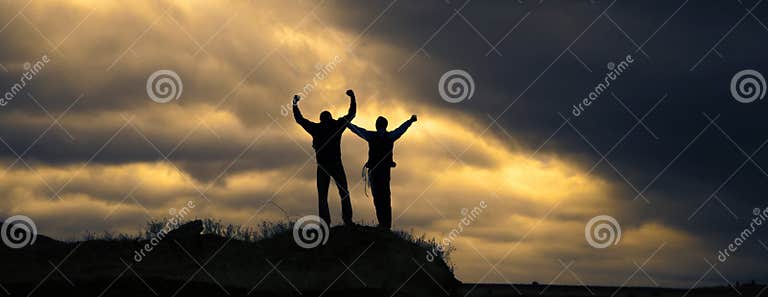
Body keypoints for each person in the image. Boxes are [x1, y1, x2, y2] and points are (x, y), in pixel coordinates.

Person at [292, 90, 357, 226]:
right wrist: (352, 97)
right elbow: (352, 114)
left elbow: (300, 119)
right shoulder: (336, 126)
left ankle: (325, 223)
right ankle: (348, 220)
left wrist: (294, 104)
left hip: (323, 166)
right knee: (343, 192)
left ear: (321, 119)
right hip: (335, 164)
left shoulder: (317, 128)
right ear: (330, 118)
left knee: (323, 196)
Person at [348, 115, 417, 229]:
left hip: (374, 171)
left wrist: (347, 124)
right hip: (384, 172)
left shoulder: (371, 136)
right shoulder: (390, 136)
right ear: (386, 125)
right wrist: (410, 121)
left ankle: (382, 224)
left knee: (378, 197)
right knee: (385, 197)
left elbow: (358, 130)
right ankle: (386, 225)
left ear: (376, 125)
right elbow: (401, 129)